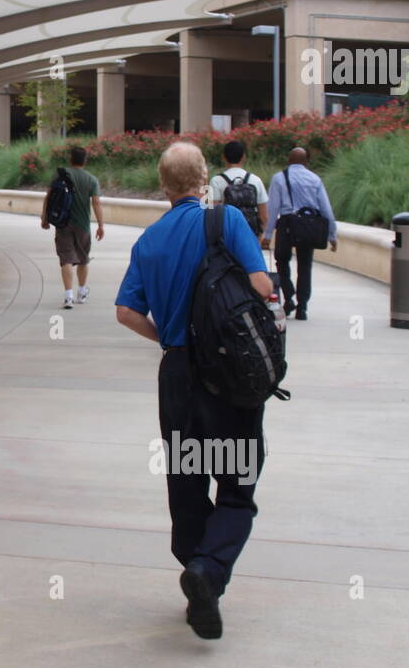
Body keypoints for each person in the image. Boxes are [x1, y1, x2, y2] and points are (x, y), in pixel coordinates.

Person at [115, 142, 274, 640]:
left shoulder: (149, 241)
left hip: (179, 375)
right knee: (236, 487)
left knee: (187, 482)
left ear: (162, 184)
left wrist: (169, 336)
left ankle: (197, 568)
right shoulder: (225, 222)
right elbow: (262, 286)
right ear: (204, 178)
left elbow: (125, 312)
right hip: (227, 376)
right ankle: (207, 569)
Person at [262, 147, 337, 321]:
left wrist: (267, 235)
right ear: (306, 161)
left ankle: (289, 297)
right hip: (308, 224)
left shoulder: (279, 178)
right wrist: (332, 236)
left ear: (289, 160)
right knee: (305, 266)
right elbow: (326, 209)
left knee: (281, 261)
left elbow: (273, 208)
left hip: (287, 223)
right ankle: (302, 307)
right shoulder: (315, 179)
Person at [40, 145, 104, 309]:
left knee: (66, 259)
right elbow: (96, 202)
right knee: (83, 259)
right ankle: (81, 293)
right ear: (85, 160)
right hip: (83, 225)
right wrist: (100, 225)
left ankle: (68, 296)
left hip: (62, 223)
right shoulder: (91, 179)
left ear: (70, 159)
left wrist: (45, 217)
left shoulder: (60, 175)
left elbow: (48, 197)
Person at [209, 139, 268, 239]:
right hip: (250, 234)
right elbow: (264, 215)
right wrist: (259, 238)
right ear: (244, 157)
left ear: (223, 157)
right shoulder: (256, 180)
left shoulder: (215, 181)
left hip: (226, 235)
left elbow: (211, 212)